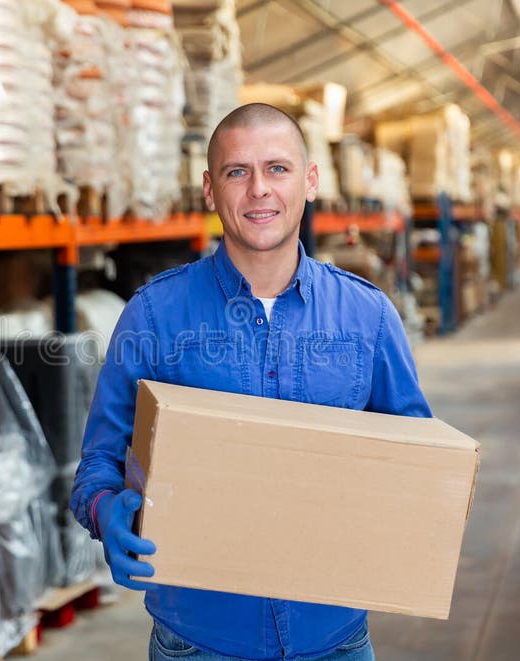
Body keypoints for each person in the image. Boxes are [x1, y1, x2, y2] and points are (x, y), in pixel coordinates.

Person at [71, 103, 431, 661]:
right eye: (237, 171)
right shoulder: (155, 315)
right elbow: (99, 460)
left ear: (311, 181)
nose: (259, 188)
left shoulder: (369, 317)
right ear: (210, 190)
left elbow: (419, 460)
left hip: (335, 639)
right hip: (199, 642)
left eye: (277, 168)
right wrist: (105, 510)